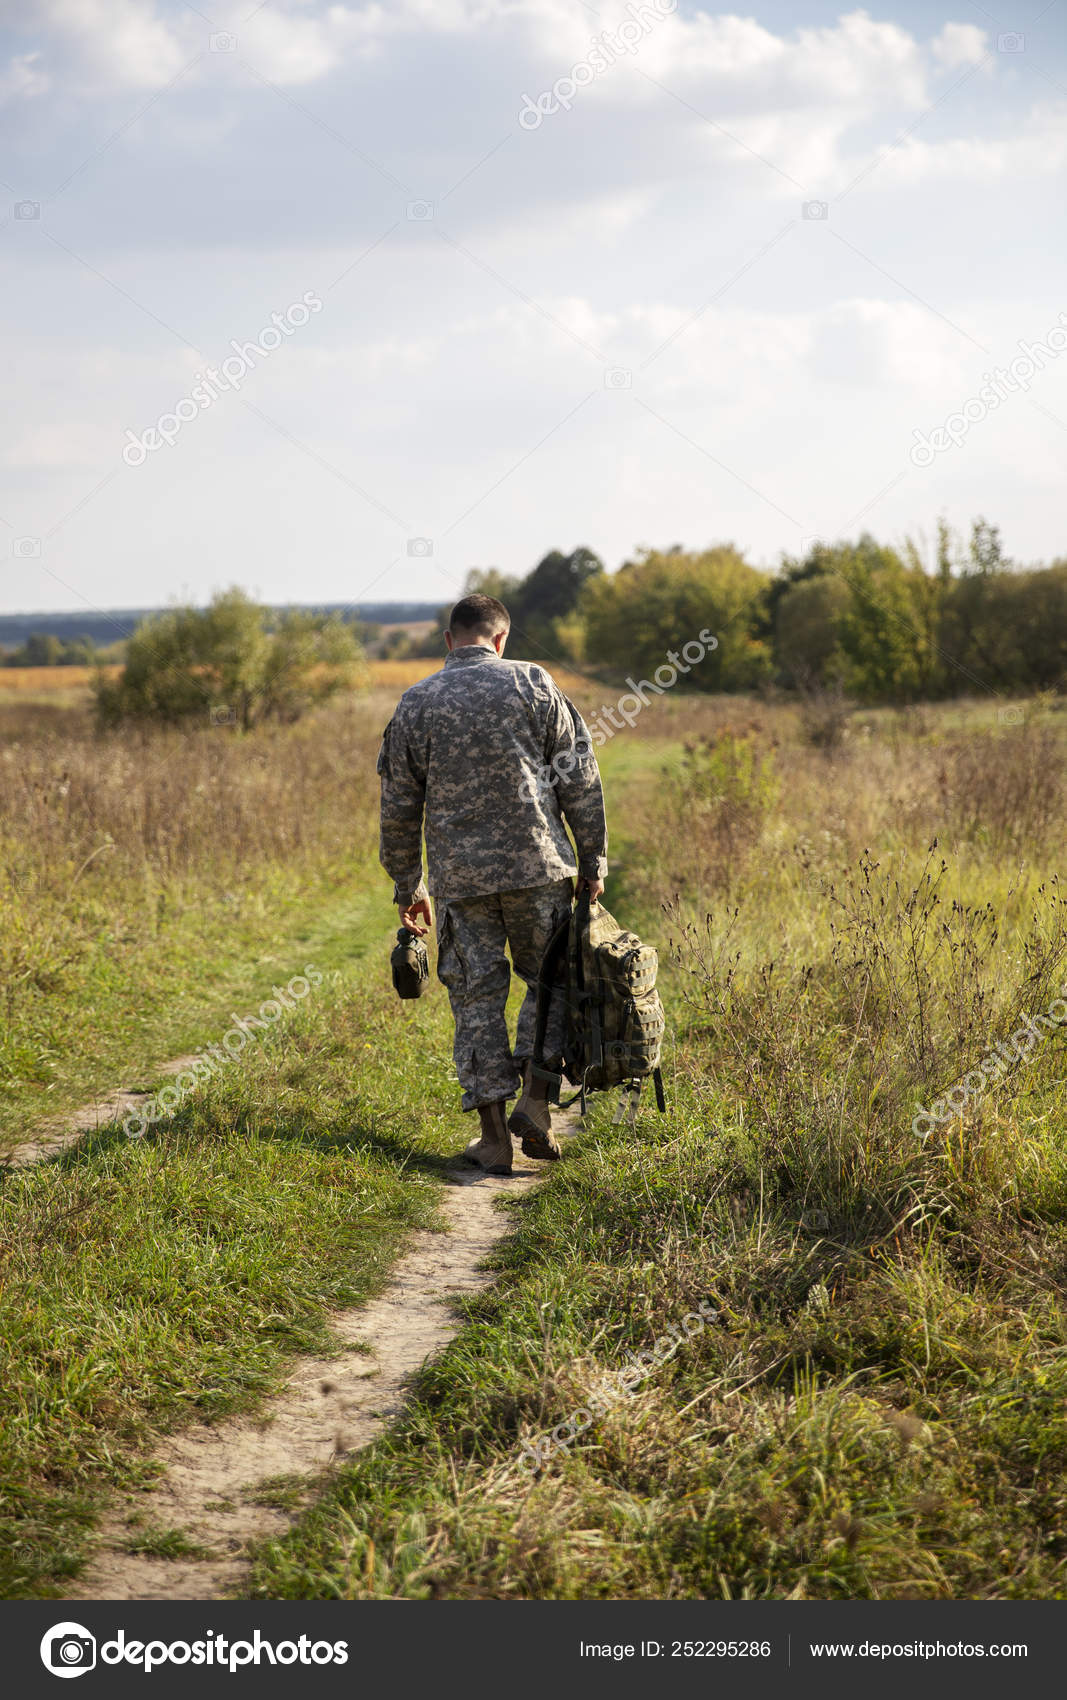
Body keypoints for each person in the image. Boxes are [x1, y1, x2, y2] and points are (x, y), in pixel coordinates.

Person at [377, 593, 608, 1175]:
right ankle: (535, 1098)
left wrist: (409, 885)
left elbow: (399, 805)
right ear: (501, 639)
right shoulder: (534, 684)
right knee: (550, 982)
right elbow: (579, 779)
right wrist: (594, 859)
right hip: (539, 869)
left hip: (460, 880)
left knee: (475, 997)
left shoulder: (416, 702)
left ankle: (493, 1141)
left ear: (450, 639)